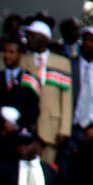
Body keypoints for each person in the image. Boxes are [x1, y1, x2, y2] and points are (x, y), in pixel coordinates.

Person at [23, 21, 73, 163]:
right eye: (28, 36)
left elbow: (66, 98)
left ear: (44, 38)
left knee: (47, 169)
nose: (29, 39)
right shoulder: (23, 60)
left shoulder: (61, 63)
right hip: (29, 127)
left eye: (33, 36)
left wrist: (64, 130)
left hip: (51, 127)